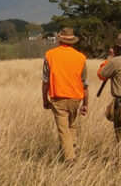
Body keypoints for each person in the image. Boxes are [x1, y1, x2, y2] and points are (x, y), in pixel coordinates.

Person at [41, 27, 89, 163]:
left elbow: (45, 81)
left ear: (59, 40)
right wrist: (85, 104)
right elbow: (85, 84)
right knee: (71, 125)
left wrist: (45, 99)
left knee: (63, 129)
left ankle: (70, 159)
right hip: (76, 97)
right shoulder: (80, 57)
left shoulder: (50, 55)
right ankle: (72, 148)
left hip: (58, 97)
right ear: (73, 41)